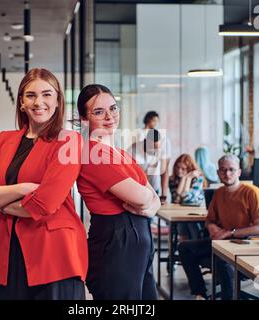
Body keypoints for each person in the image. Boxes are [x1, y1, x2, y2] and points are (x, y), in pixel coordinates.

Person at [0, 68, 88, 300]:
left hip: (54, 252)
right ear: (22, 103)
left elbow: (45, 203)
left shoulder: (69, 141)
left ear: (57, 101)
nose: (39, 102)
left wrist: (1, 200)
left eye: (47, 94)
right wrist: (24, 189)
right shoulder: (5, 139)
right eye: (31, 95)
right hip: (10, 251)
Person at [76, 84, 161, 300]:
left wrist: (150, 204)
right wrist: (148, 203)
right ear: (84, 119)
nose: (109, 116)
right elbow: (143, 198)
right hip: (115, 247)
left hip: (138, 244)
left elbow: (155, 200)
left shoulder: (122, 154)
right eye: (98, 112)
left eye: (113, 108)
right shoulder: (92, 154)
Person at [177, 154, 259, 300]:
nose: (227, 174)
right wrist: (212, 228)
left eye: (231, 170)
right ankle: (200, 293)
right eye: (223, 170)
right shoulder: (219, 193)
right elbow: (210, 220)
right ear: (218, 172)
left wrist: (228, 233)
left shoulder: (252, 192)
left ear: (239, 172)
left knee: (223, 258)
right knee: (184, 248)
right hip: (224, 241)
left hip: (249, 243)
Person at [169, 154, 207, 241]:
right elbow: (176, 200)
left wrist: (188, 178)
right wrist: (185, 179)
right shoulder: (172, 180)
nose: (179, 171)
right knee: (182, 222)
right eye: (177, 167)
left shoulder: (198, 178)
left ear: (190, 169)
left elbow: (187, 199)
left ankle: (193, 248)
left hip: (196, 213)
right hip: (180, 214)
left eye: (183, 168)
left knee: (188, 222)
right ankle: (185, 250)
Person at [138, 111, 171, 204]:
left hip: (153, 179)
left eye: (157, 121)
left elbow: (164, 168)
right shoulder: (140, 134)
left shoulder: (159, 137)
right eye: (154, 120)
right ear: (149, 120)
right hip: (143, 172)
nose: (156, 123)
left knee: (163, 169)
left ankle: (163, 195)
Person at [127, 128, 164, 194]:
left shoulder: (159, 150)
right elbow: (129, 171)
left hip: (154, 189)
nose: (154, 150)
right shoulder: (132, 150)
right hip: (137, 188)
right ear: (146, 140)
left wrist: (164, 194)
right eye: (152, 147)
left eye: (156, 147)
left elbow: (164, 171)